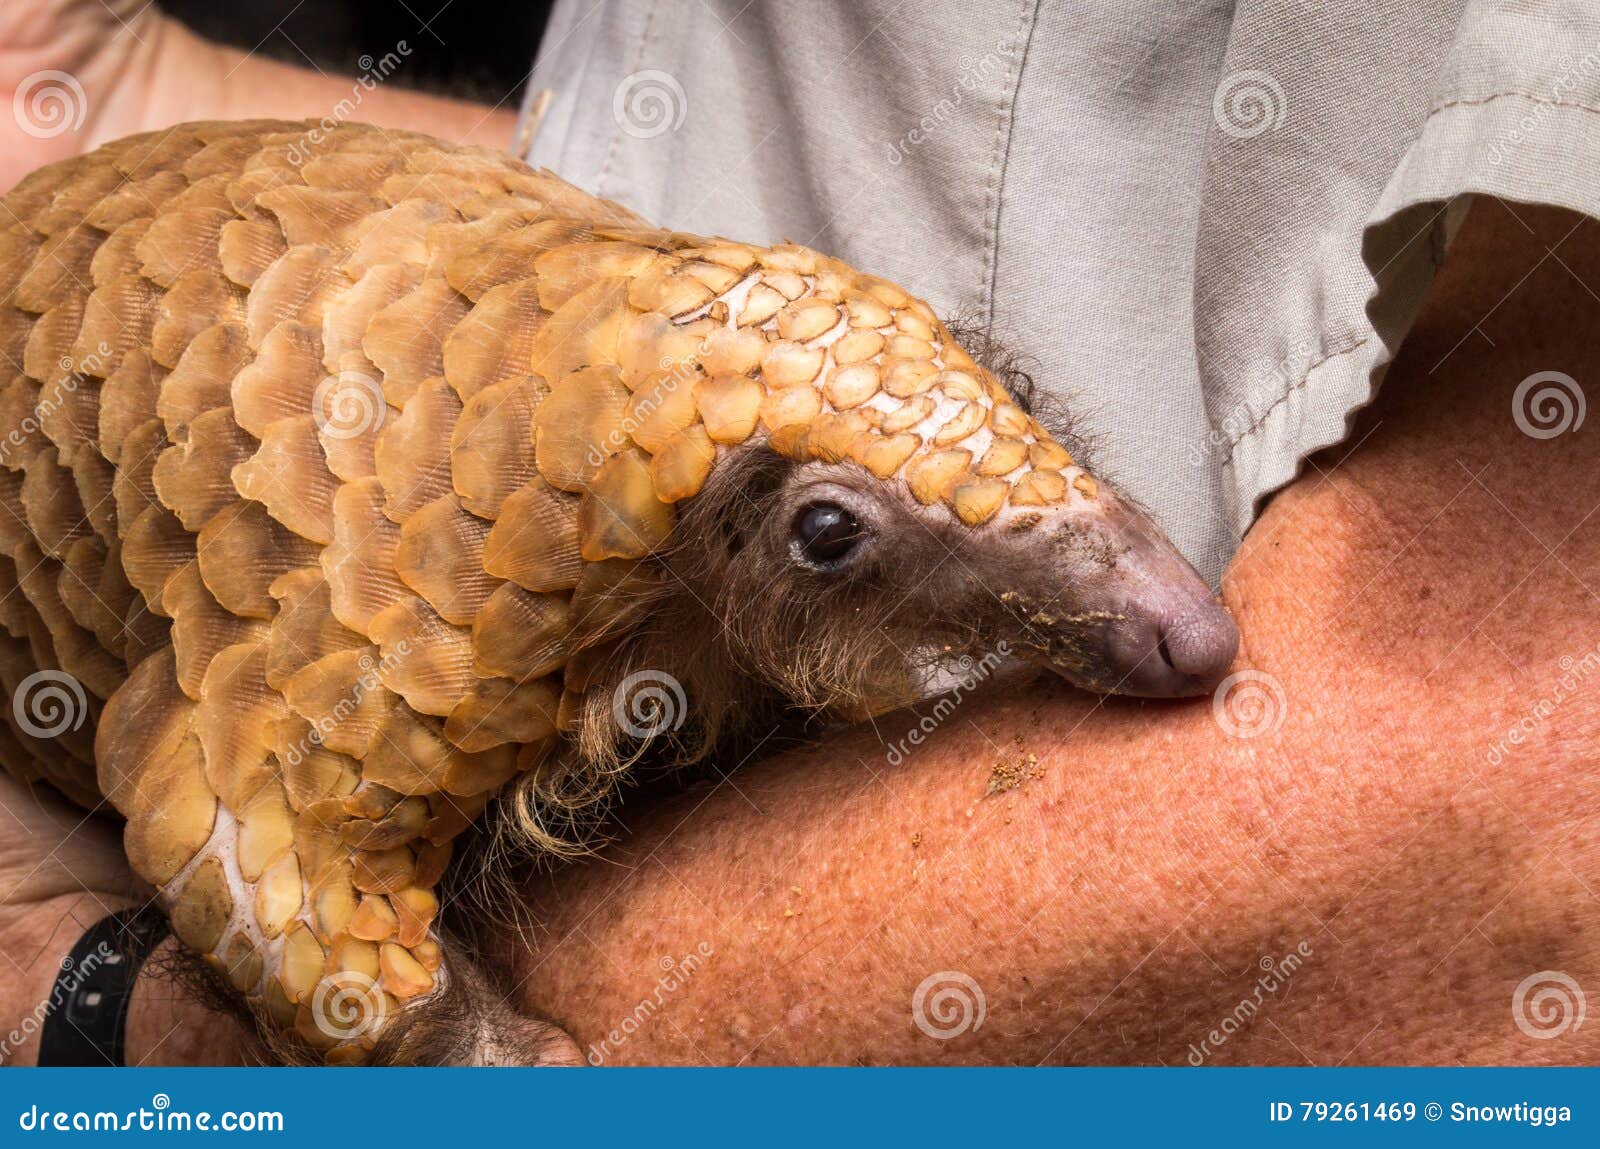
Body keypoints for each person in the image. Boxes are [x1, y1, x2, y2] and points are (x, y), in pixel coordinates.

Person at [1, 0, 1597, 1065]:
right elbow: (264, 831)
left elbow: (1502, 800)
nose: (1159, 617)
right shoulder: (406, 618)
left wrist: (94, 1008)